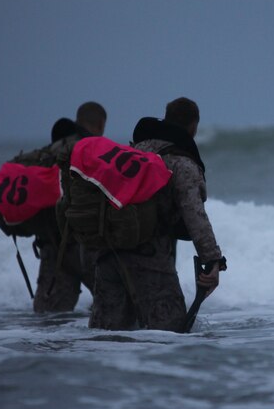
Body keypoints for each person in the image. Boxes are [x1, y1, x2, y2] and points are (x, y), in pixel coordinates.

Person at [89, 97, 225, 331]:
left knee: (105, 338)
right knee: (169, 334)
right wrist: (213, 261)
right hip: (149, 257)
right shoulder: (181, 162)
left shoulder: (132, 151)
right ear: (193, 126)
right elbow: (194, 215)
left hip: (108, 254)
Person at [31, 101, 107, 313]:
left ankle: (49, 345)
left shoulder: (51, 149)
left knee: (50, 317)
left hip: (50, 243)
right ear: (100, 124)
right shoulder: (89, 148)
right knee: (112, 310)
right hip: (83, 243)